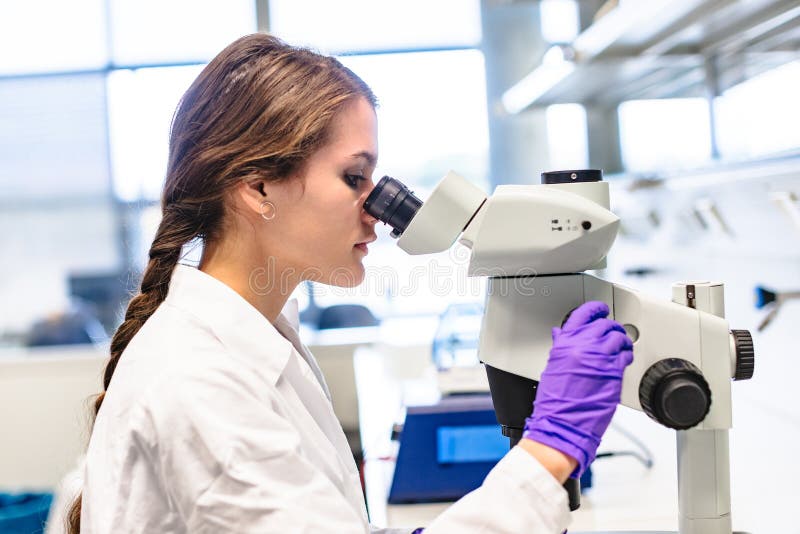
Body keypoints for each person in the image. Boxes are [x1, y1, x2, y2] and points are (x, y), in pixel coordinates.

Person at [67, 33, 634, 533]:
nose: (377, 212)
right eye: (353, 177)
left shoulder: (255, 341)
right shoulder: (200, 383)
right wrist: (550, 451)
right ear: (259, 187)